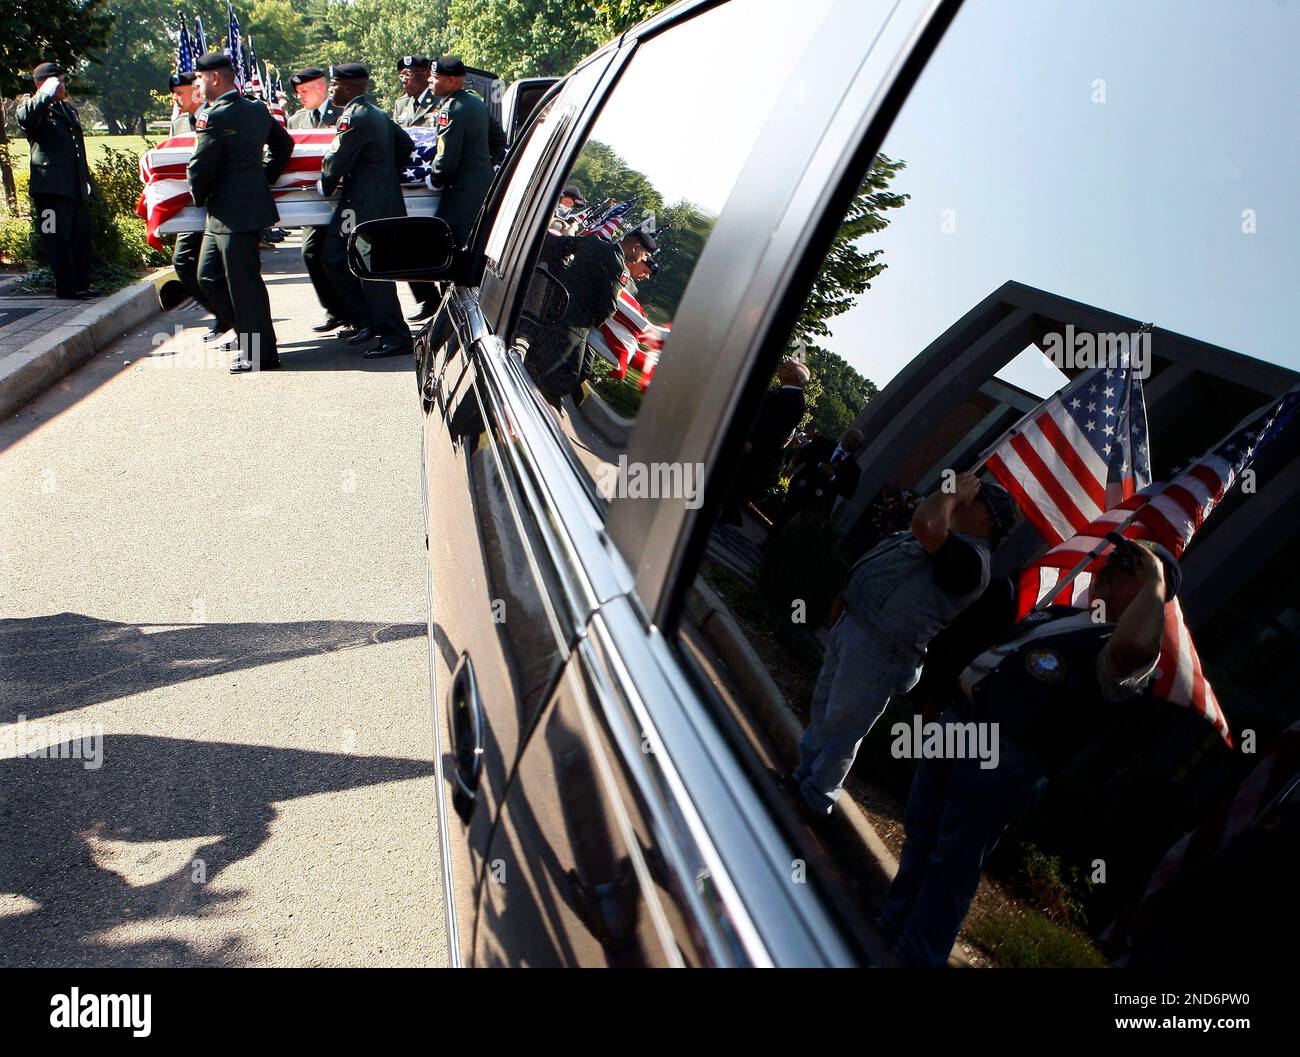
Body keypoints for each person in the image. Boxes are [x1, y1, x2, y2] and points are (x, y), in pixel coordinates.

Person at [876, 533, 1178, 967]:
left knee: (952, 862)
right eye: (1115, 557)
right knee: (922, 835)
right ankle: (891, 925)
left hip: (1006, 753)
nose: (1110, 567)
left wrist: (1155, 583)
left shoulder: (1125, 651)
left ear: (1154, 594)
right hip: (965, 725)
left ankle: (915, 957)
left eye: (1130, 567)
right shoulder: (1071, 617)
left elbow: (1134, 647)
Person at [793, 473, 1016, 816]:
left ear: (988, 521)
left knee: (843, 725)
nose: (963, 499)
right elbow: (888, 559)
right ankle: (802, 781)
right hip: (858, 628)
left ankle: (816, 797)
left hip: (882, 649)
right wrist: (847, 597)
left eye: (975, 499)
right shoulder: (946, 537)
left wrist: (949, 493)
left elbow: (924, 522)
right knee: (825, 712)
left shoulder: (972, 561)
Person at [188, 51, 294, 373]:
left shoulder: (216, 116)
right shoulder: (255, 109)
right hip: (226, 213)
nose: (197, 83)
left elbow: (200, 166)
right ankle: (251, 336)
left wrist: (198, 195)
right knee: (207, 277)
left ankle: (261, 354)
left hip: (235, 212)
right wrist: (263, 178)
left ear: (215, 78)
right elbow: (284, 146)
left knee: (244, 285)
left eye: (200, 78)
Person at [318, 63, 415, 359]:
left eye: (333, 84)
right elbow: (405, 144)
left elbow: (337, 159)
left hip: (365, 205)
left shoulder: (354, 116)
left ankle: (395, 335)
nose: (330, 89)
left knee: (369, 269)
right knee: (335, 257)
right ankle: (369, 321)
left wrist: (326, 183)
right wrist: (385, 174)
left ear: (350, 88)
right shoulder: (376, 113)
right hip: (372, 201)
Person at [16, 62, 96, 300]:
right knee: (57, 239)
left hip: (73, 185)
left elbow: (76, 148)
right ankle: (66, 287)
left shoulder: (66, 109)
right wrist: (43, 94)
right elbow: (26, 118)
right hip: (51, 189)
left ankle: (81, 284)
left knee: (80, 238)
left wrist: (85, 179)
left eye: (62, 81)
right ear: (44, 84)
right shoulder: (34, 108)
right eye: (58, 81)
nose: (63, 86)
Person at [166, 71, 230, 337]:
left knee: (220, 269)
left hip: (219, 205)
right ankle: (223, 314)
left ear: (195, 90)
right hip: (190, 207)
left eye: (179, 93)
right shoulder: (179, 124)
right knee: (183, 262)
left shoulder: (216, 115)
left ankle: (235, 320)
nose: (176, 99)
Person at [288, 67, 347, 334]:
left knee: (341, 257)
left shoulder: (342, 112)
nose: (299, 96)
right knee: (311, 252)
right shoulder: (297, 119)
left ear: (321, 88)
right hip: (312, 201)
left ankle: (356, 313)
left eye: (304, 91)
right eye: (297, 92)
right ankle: (334, 310)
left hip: (342, 198)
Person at [720, 359, 810, 525]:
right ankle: (729, 514)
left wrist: (753, 442)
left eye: (786, 368)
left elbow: (776, 429)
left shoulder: (795, 402)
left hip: (756, 448)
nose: (781, 368)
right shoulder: (781, 392)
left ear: (795, 376)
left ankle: (729, 515)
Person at [391, 55, 440, 321]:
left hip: (436, 183)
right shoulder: (401, 105)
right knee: (407, 241)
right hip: (409, 183)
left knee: (438, 242)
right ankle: (426, 297)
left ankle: (447, 298)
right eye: (401, 76)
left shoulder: (439, 100)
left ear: (424, 74)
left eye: (408, 75)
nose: (403, 80)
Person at [428, 56, 495, 247]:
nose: (429, 80)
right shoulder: (477, 102)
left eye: (434, 77)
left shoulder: (451, 110)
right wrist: (480, 163)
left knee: (458, 258)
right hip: (484, 190)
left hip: (461, 200)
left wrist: (434, 179)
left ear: (450, 81)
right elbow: (498, 139)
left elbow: (446, 159)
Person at [768, 428, 865, 536]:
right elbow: (804, 455)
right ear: (847, 436)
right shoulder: (823, 443)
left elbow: (849, 493)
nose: (856, 445)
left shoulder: (853, 470)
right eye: (855, 440)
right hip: (801, 487)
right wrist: (819, 465)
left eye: (860, 444)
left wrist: (833, 478)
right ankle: (768, 541)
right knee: (784, 516)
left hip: (820, 502)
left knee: (802, 532)